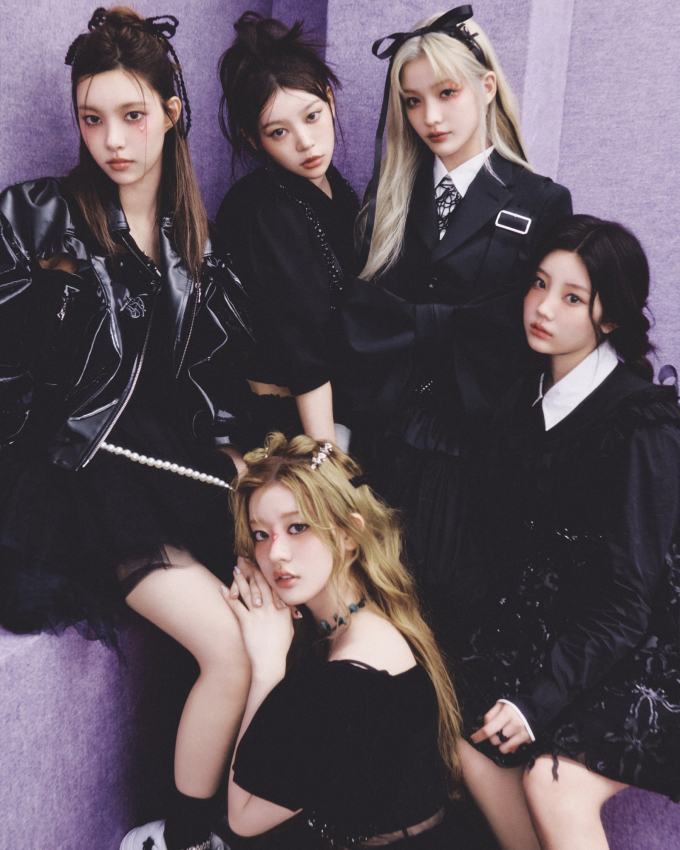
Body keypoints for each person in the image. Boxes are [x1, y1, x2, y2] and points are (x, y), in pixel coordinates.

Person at [0, 8, 255, 850]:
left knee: (266, 631)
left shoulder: (194, 245)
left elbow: (203, 383)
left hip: (158, 469)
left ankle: (240, 824)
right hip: (77, 470)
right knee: (228, 648)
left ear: (172, 113)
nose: (112, 139)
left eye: (133, 114)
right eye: (92, 117)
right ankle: (183, 838)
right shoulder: (34, 214)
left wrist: (241, 462)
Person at [344, 6, 572, 648]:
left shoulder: (540, 201)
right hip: (385, 443)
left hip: (474, 450)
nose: (431, 117)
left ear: (486, 87)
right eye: (413, 101)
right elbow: (362, 327)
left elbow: (537, 339)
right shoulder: (389, 193)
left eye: (446, 94)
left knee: (448, 621)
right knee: (371, 614)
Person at [458, 215, 680, 850]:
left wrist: (538, 701)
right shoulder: (521, 403)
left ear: (610, 318)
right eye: (538, 283)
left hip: (645, 644)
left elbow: (631, 596)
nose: (544, 307)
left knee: (554, 783)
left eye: (572, 297)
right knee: (464, 727)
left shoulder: (641, 422)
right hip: (561, 633)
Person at [221, 432, 462, 848]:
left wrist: (267, 667)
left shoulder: (348, 681)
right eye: (261, 534)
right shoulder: (369, 620)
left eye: (298, 527)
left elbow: (242, 818)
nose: (275, 554)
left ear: (349, 535)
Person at [215, 12, 360, 452]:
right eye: (279, 131)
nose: (306, 143)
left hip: (335, 404)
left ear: (330, 101)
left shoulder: (334, 186)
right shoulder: (263, 208)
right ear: (254, 139)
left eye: (312, 116)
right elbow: (302, 350)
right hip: (284, 425)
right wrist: (326, 457)